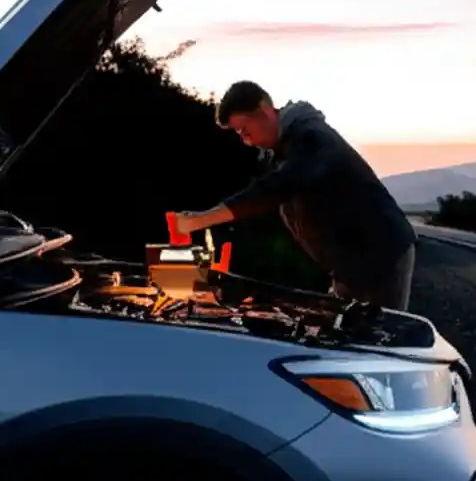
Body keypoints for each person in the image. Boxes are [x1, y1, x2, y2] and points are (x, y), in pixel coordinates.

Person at [174, 80, 418, 310]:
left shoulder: (312, 138)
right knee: (347, 337)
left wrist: (203, 219)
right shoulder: (279, 152)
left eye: (245, 130)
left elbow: (277, 187)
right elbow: (263, 200)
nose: (246, 141)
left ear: (264, 110)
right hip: (345, 264)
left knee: (381, 339)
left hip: (381, 252)